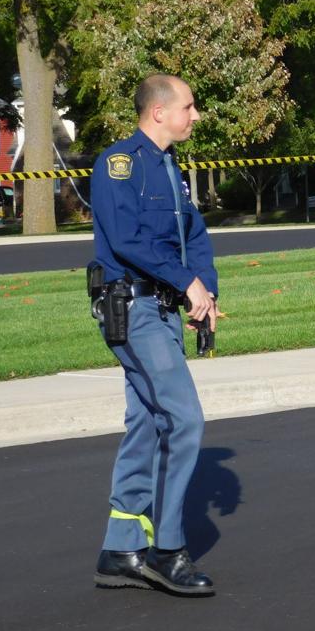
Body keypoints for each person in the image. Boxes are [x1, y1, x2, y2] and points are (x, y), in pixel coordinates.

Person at [90, 74, 219, 596]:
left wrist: (204, 290)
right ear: (159, 112)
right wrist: (184, 281)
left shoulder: (170, 168)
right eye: (189, 106)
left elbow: (193, 234)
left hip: (162, 309)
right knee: (184, 420)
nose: (195, 115)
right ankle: (168, 550)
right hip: (132, 306)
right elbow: (126, 241)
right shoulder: (118, 164)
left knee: (145, 422)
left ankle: (120, 550)